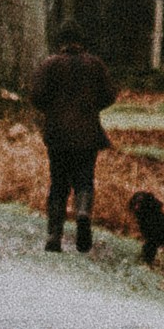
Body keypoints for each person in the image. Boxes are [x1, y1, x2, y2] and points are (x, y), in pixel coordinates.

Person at [31, 32, 114, 254]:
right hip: (87, 135)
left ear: (61, 42)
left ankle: (54, 236)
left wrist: (52, 110)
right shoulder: (95, 65)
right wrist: (90, 107)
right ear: (81, 41)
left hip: (58, 135)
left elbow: (36, 95)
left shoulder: (50, 65)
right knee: (84, 179)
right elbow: (109, 95)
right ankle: (83, 212)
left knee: (58, 183)